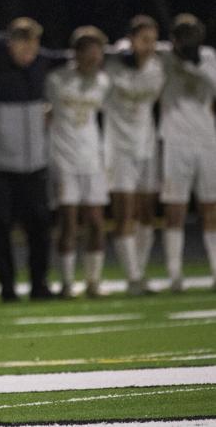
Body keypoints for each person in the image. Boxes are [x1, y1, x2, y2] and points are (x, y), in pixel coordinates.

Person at [0, 17, 65, 302]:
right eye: (24, 46)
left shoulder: (41, 62)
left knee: (40, 225)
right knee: (1, 226)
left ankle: (39, 283)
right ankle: (7, 287)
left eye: (33, 46)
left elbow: (72, 59)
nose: (29, 53)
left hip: (33, 163)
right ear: (11, 43)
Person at [46, 26, 111, 298]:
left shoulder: (103, 82)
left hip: (92, 160)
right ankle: (67, 282)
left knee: (96, 222)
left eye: (99, 53)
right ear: (78, 54)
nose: (95, 59)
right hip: (64, 159)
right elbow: (46, 114)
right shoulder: (57, 80)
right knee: (69, 222)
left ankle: (93, 281)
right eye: (90, 53)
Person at [104, 15, 165, 295]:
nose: (149, 46)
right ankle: (132, 276)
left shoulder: (157, 68)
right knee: (124, 212)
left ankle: (140, 273)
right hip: (119, 148)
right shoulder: (113, 66)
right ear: (131, 40)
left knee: (147, 213)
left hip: (147, 146)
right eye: (143, 40)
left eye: (152, 40)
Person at [158, 13, 216, 292]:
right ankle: (174, 274)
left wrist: (194, 65)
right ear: (175, 40)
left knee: (210, 208)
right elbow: (127, 51)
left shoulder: (209, 57)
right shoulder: (164, 57)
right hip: (175, 141)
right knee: (175, 209)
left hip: (207, 140)